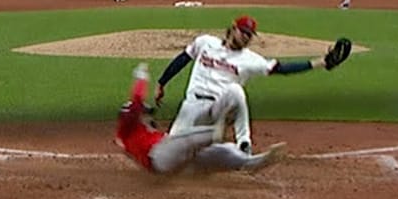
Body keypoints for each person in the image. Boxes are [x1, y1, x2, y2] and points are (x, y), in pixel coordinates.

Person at [154, 15, 352, 155]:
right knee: (168, 152)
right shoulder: (205, 42)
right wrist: (162, 83)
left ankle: (244, 144)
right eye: (244, 32)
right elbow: (183, 59)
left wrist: (320, 63)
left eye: (250, 34)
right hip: (191, 106)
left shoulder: (250, 59)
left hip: (217, 109)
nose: (247, 37)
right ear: (233, 29)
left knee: (236, 90)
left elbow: (280, 69)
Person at [116, 63, 286, 174]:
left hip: (170, 161)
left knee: (215, 153)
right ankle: (215, 130)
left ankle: (250, 162)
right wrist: (141, 78)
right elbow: (137, 99)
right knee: (185, 139)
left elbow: (128, 144)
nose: (146, 114)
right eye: (143, 112)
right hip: (159, 156)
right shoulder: (128, 123)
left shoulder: (132, 136)